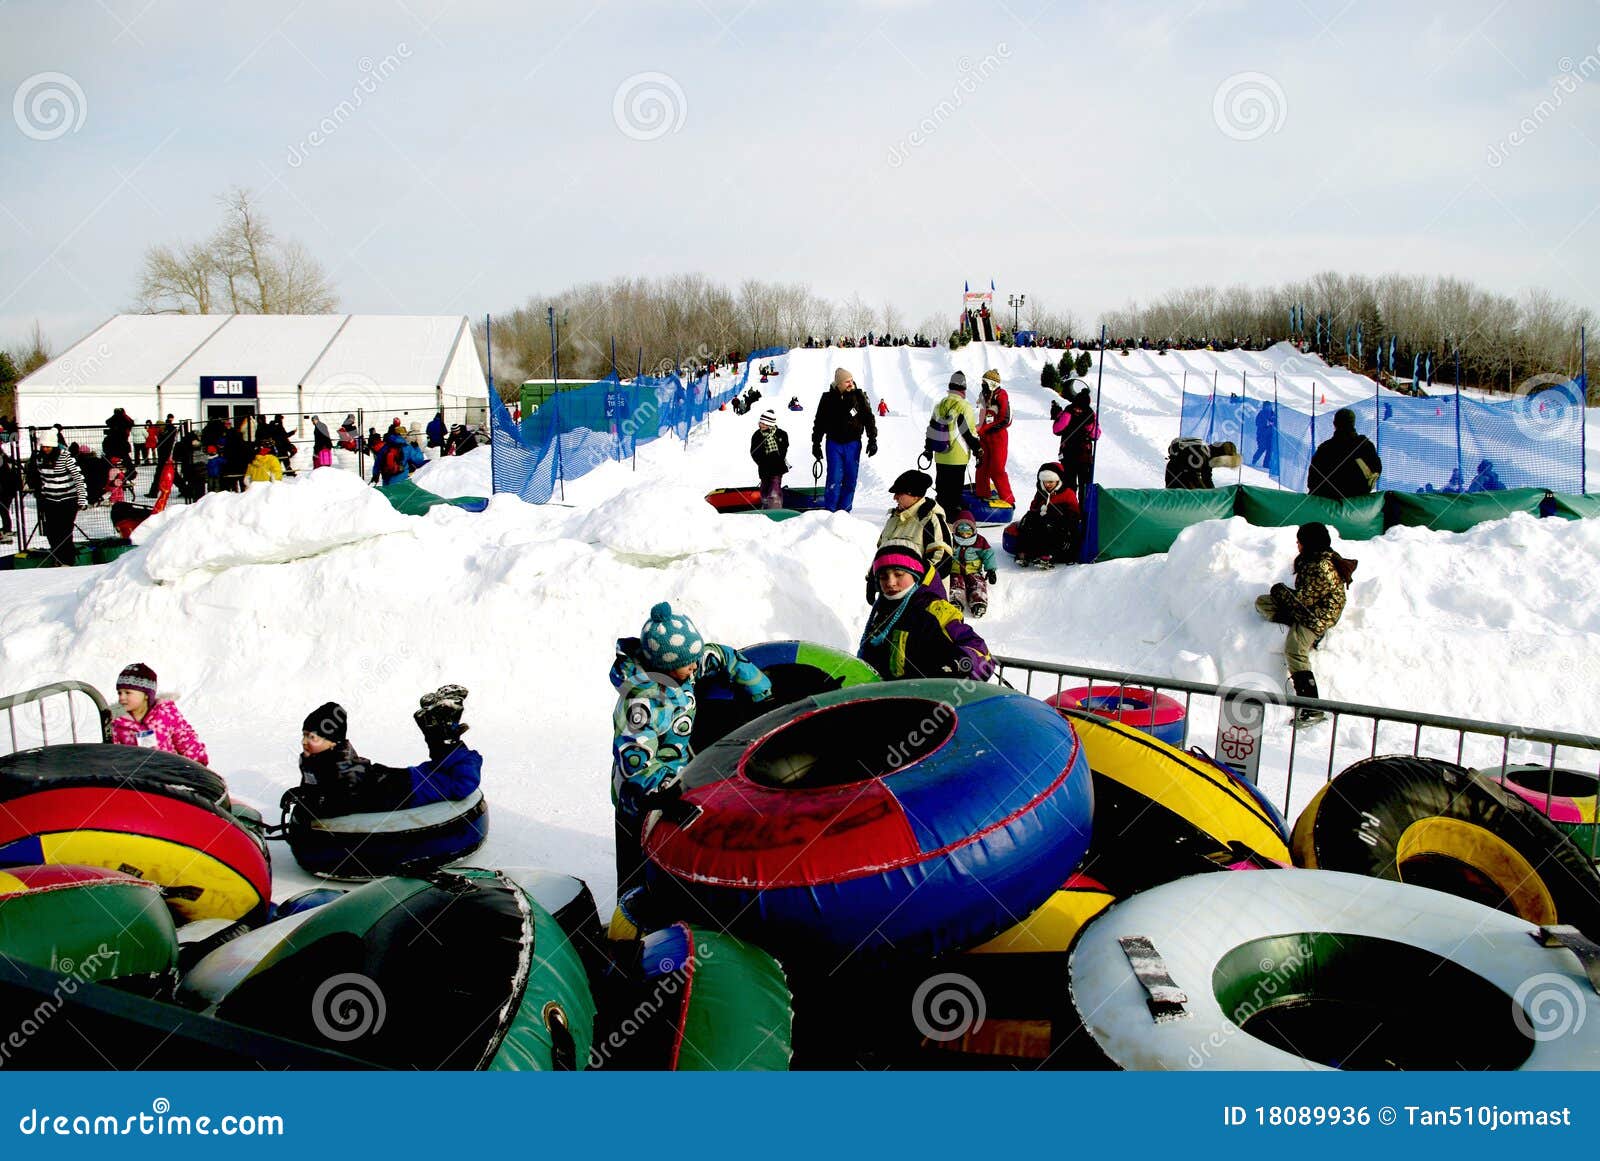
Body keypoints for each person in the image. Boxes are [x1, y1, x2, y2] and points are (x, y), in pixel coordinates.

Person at [609, 602, 772, 895]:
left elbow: (721, 656)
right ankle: (628, 926)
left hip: (676, 781)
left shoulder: (685, 667)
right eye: (689, 663)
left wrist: (761, 689)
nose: (696, 666)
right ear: (666, 665)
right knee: (636, 868)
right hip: (639, 800)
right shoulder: (642, 700)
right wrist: (666, 795)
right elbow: (634, 760)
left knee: (670, 858)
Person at [283, 689, 482, 821]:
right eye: (304, 735)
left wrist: (309, 801)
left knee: (460, 783)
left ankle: (447, 735)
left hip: (404, 790)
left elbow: (341, 803)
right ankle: (438, 725)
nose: (304, 742)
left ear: (333, 742)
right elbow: (317, 788)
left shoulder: (343, 767)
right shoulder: (310, 759)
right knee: (438, 772)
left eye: (312, 737)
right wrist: (301, 793)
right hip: (390, 780)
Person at [1254, 522, 1356, 726]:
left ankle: (1311, 707)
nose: (1297, 545)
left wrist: (1279, 589)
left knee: (1295, 648)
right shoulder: (1313, 559)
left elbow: (1300, 599)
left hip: (1320, 614)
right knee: (1263, 603)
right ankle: (1296, 618)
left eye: (1300, 541)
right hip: (1308, 607)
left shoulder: (1321, 567)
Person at [858, 540, 994, 681]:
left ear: (915, 574)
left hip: (930, 697)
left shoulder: (935, 610)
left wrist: (961, 662)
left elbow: (984, 657)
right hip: (884, 697)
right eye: (883, 576)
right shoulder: (882, 611)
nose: (890, 582)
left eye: (898, 574)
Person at [871, 469, 952, 603]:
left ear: (915, 495)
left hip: (924, 599)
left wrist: (912, 584)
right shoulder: (894, 519)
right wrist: (873, 577)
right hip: (892, 593)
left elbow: (943, 562)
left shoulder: (931, 520)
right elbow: (882, 554)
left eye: (899, 493)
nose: (894, 497)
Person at [109, 662, 209, 765]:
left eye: (128, 693)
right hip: (137, 777)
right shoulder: (117, 723)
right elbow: (114, 754)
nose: (122, 697)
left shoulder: (165, 713)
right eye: (119, 693)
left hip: (170, 773)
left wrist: (198, 765)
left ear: (146, 695)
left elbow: (185, 739)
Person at [811, 368, 877, 512]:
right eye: (847, 381)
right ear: (839, 383)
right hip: (834, 443)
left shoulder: (859, 396)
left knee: (850, 479)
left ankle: (844, 513)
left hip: (853, 444)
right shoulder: (827, 398)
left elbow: (868, 418)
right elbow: (819, 422)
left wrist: (872, 439)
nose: (850, 383)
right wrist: (816, 443)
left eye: (851, 380)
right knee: (834, 479)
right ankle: (830, 512)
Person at [924, 370, 983, 522]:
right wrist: (978, 450)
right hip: (958, 456)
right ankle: (952, 521)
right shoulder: (964, 406)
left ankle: (939, 519)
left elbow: (931, 429)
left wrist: (928, 450)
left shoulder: (939, 405)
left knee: (942, 490)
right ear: (963, 389)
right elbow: (968, 433)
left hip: (940, 454)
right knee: (955, 491)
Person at [25, 432, 85, 567]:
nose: (45, 449)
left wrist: (82, 498)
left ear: (54, 446)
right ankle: (58, 557)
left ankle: (67, 561)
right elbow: (37, 478)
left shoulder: (65, 457)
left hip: (68, 499)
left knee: (64, 531)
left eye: (48, 446)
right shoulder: (39, 459)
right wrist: (40, 493)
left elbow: (78, 477)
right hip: (50, 499)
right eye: (43, 446)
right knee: (52, 532)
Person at [1013, 462, 1081, 569]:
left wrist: (1059, 514)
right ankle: (1024, 552)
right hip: (1042, 521)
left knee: (1049, 524)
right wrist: (1037, 511)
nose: (1047, 485)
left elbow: (1075, 514)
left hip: (1060, 527)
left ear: (1058, 480)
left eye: (1051, 482)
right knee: (1028, 519)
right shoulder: (1041, 492)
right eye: (1045, 482)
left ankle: (1047, 554)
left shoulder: (1068, 493)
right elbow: (1033, 507)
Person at [1307, 408, 1381, 499]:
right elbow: (1375, 473)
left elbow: (1312, 482)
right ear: (1353, 424)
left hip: (1327, 504)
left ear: (1334, 424)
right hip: (1359, 504)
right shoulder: (1366, 446)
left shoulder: (1324, 449)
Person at [975, 369, 1015, 506]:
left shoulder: (1001, 396)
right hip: (985, 437)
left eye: (985, 382)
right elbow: (981, 414)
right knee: (982, 465)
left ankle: (1008, 498)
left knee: (997, 469)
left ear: (992, 383)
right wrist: (978, 427)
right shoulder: (984, 395)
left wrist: (985, 429)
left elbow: (1005, 419)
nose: (982, 384)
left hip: (998, 437)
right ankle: (982, 493)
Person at [1052, 387, 1098, 504]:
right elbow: (1095, 435)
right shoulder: (1090, 414)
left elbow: (1057, 429)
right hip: (1085, 456)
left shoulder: (1069, 410)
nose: (1078, 410)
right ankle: (1083, 512)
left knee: (1069, 485)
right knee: (1085, 487)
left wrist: (1058, 416)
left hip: (1069, 455)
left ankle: (1071, 509)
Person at [948, 510, 997, 618]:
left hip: (973, 570)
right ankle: (956, 602)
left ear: (973, 530)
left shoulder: (980, 541)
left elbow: (988, 554)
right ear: (956, 530)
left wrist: (991, 570)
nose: (965, 535)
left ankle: (978, 602)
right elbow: (944, 552)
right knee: (955, 584)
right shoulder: (951, 540)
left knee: (978, 584)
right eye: (961, 532)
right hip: (955, 570)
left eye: (968, 532)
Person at [749, 408, 790, 510]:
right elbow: (754, 452)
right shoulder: (757, 435)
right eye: (760, 422)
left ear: (770, 424)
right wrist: (763, 462)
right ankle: (765, 506)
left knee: (774, 488)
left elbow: (784, 448)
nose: (760, 425)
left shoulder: (781, 434)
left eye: (763, 423)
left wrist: (778, 458)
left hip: (777, 467)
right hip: (764, 468)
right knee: (764, 488)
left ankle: (775, 508)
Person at [1251, 402, 1278, 470]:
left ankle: (1266, 465)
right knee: (1262, 448)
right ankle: (1254, 461)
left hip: (1270, 436)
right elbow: (1257, 423)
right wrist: (1266, 424)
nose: (1268, 408)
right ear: (1264, 407)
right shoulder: (1261, 414)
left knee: (1270, 449)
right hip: (1261, 435)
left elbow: (1277, 423)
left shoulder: (1273, 414)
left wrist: (1274, 424)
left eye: (1269, 406)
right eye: (1266, 406)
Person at [0, 451, 19, 543]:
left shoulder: (3, 459)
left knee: (3, 510)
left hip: (5, 490)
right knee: (4, 510)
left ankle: (7, 531)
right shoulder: (4, 457)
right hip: (9, 489)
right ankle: (7, 529)